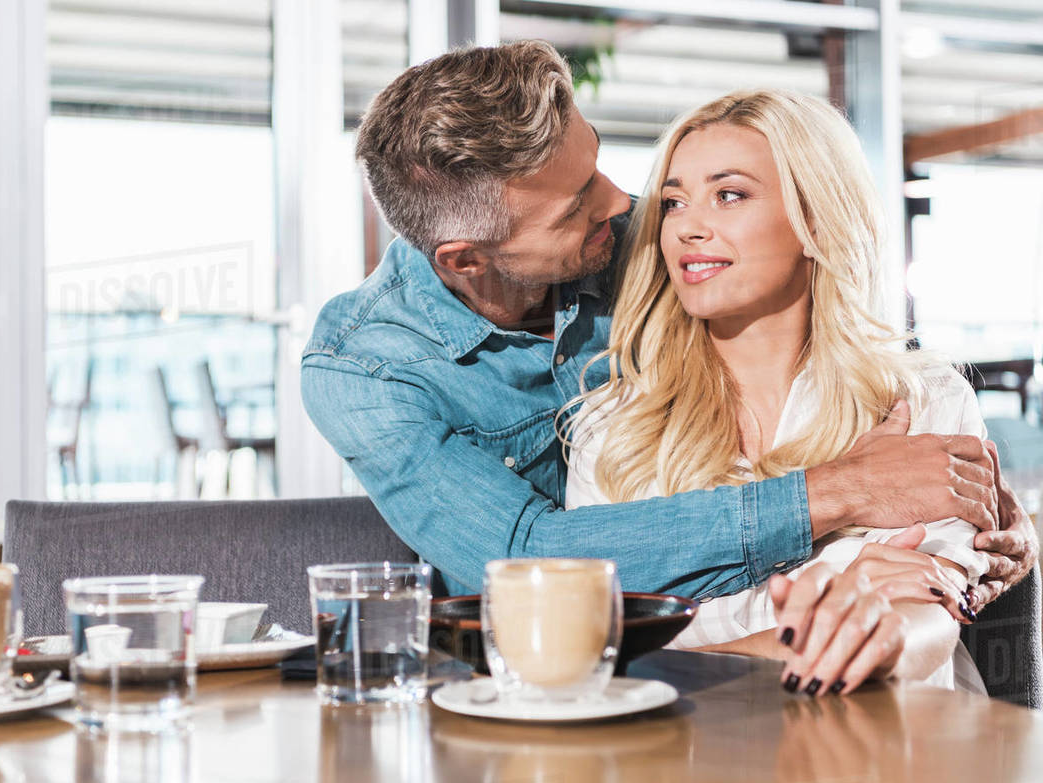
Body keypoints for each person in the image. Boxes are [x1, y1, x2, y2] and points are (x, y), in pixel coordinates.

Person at [301, 41, 1033, 624]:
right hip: (558, 665)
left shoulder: (665, 239)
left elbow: (829, 327)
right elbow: (532, 562)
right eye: (575, 205)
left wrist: (982, 522)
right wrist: (834, 495)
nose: (631, 205)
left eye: (596, 164)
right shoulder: (366, 367)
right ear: (467, 259)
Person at [564, 89, 995, 695]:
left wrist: (886, 632)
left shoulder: (920, 398)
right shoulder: (613, 427)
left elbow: (926, 622)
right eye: (674, 202)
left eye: (729, 194)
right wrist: (812, 640)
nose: (688, 226)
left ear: (813, 219)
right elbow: (588, 659)